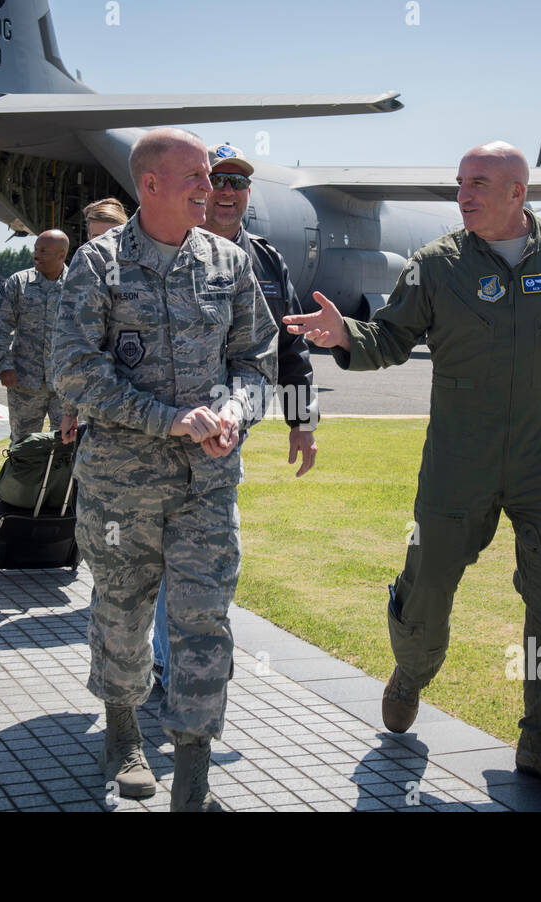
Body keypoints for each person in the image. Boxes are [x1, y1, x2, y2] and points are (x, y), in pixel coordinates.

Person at [284, 141, 541, 799]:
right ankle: (410, 674)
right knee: (427, 589)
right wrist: (344, 337)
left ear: (517, 192)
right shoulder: (436, 265)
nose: (462, 194)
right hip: (457, 461)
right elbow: (389, 339)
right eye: (459, 183)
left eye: (477, 183)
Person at [53, 128, 277, 811]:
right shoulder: (99, 264)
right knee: (123, 612)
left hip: (206, 487)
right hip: (121, 488)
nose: (211, 190)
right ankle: (122, 733)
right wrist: (168, 419)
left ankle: (195, 778)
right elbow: (72, 369)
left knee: (204, 620)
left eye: (210, 179)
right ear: (150, 185)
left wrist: (237, 409)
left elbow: (254, 359)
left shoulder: (228, 264)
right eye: (197, 179)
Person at [151, 143, 319, 689]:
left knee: (208, 544)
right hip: (164, 422)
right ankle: (163, 658)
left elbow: (290, 346)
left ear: (249, 194)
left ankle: (190, 660)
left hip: (230, 425)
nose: (226, 192)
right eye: (217, 181)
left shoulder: (266, 260)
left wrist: (302, 421)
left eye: (237, 183)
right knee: (161, 543)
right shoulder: (170, 248)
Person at [0, 230, 77, 442]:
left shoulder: (76, 286)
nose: (36, 255)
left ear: (61, 255)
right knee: (22, 445)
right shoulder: (19, 282)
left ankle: (57, 478)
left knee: (66, 446)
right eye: (35, 249)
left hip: (65, 386)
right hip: (25, 382)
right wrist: (4, 364)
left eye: (43, 251)